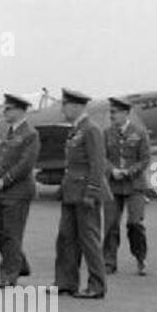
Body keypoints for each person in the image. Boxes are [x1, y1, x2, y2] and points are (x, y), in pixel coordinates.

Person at [54, 89, 108, 299]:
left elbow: (97, 163)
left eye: (65, 105)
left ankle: (97, 286)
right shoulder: (76, 129)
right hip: (71, 192)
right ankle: (65, 282)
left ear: (76, 106)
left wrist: (92, 192)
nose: (63, 109)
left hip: (85, 193)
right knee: (66, 238)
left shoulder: (91, 129)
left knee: (89, 240)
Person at [0, 94, 38, 286]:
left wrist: (5, 180)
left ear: (19, 110)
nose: (4, 112)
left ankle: (9, 275)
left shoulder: (30, 134)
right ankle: (19, 263)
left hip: (17, 191)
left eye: (8, 109)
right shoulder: (10, 132)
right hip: (0, 191)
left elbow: (25, 164)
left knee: (11, 233)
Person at [102, 97, 151, 275]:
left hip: (134, 186)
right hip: (113, 186)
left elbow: (145, 159)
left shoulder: (139, 133)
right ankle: (108, 261)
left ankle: (140, 258)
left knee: (135, 223)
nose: (112, 116)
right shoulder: (106, 133)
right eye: (111, 112)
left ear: (125, 113)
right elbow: (102, 156)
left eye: (114, 113)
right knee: (110, 224)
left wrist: (129, 172)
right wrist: (111, 170)